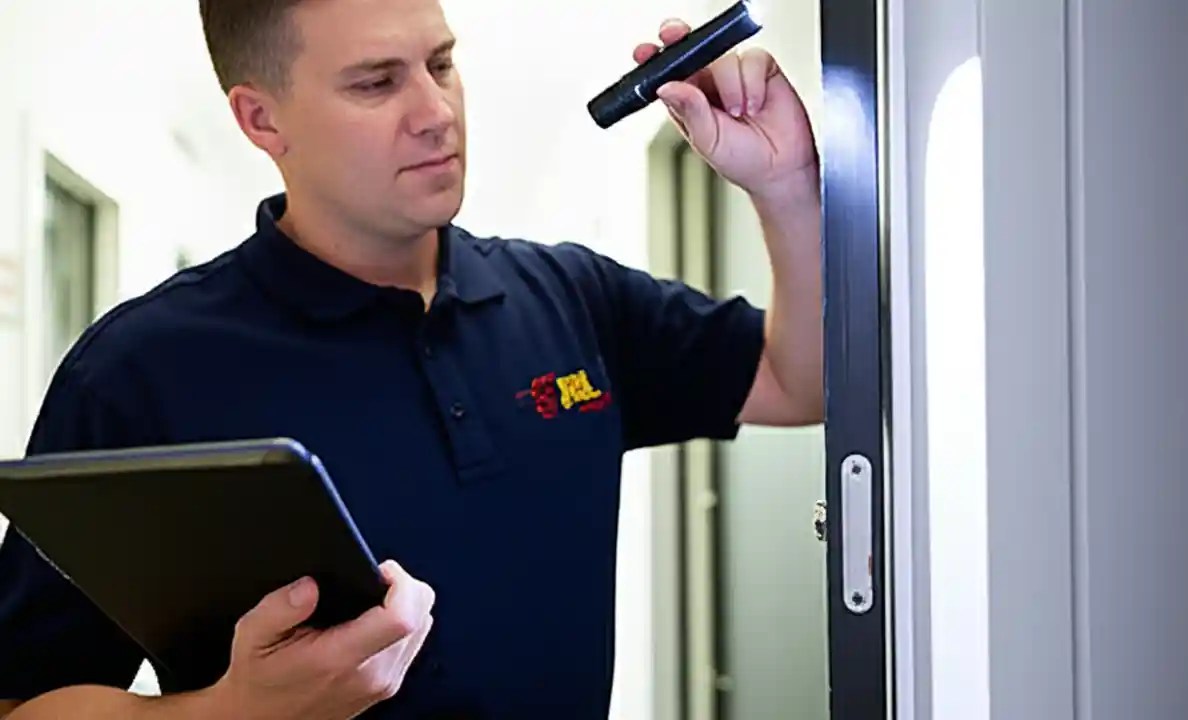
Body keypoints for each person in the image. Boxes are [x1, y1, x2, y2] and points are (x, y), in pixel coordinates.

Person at [0, 0, 822, 717]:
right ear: (262, 120)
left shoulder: (572, 298)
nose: (437, 111)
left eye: (441, 63)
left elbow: (803, 381)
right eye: (375, 82)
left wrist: (785, 188)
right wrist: (231, 715)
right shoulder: (142, 370)